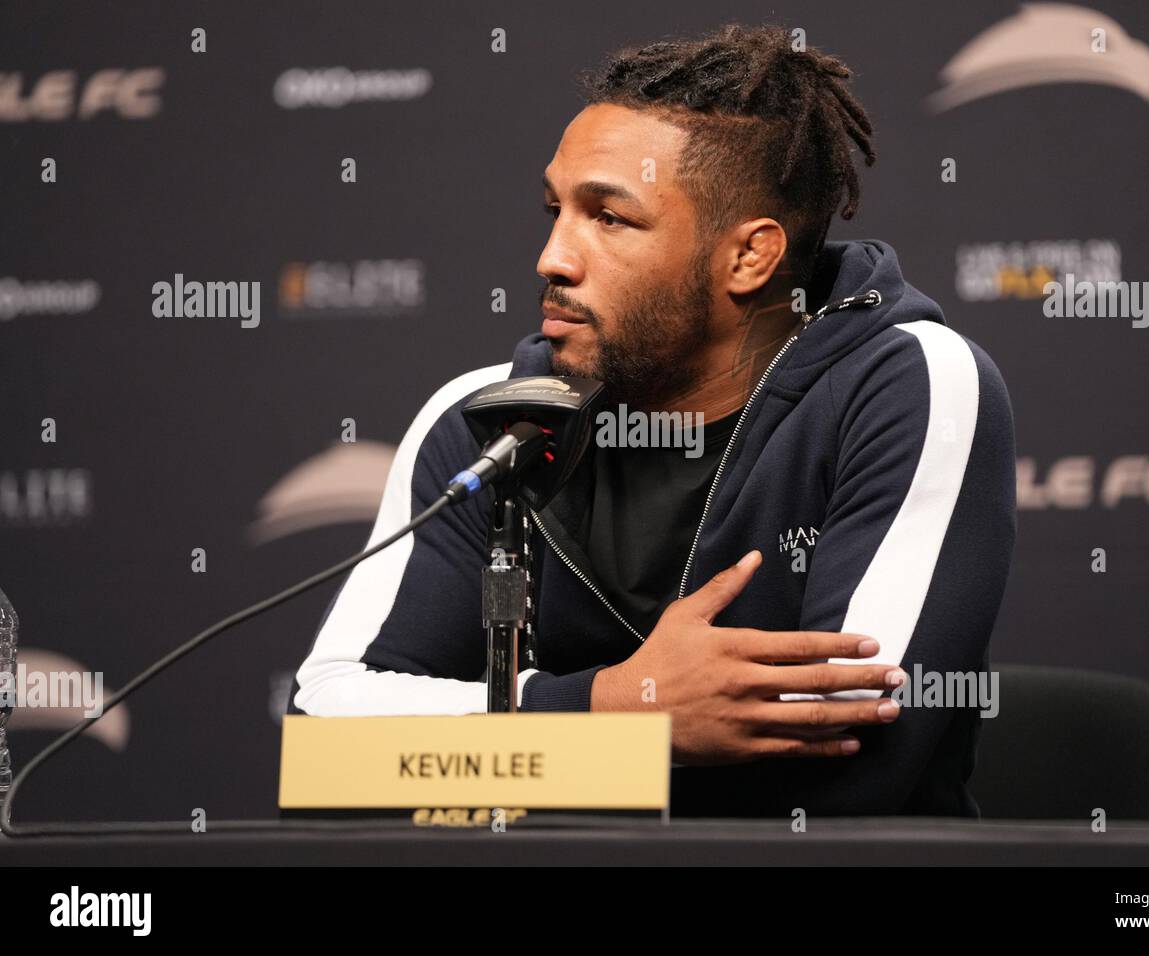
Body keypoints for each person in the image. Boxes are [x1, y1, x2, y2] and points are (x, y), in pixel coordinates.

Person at [289, 23, 1016, 817]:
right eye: (555, 210)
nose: (553, 258)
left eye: (609, 218)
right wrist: (619, 708)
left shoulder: (910, 383)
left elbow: (850, 759)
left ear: (749, 256)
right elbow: (329, 752)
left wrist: (508, 757)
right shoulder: (493, 421)